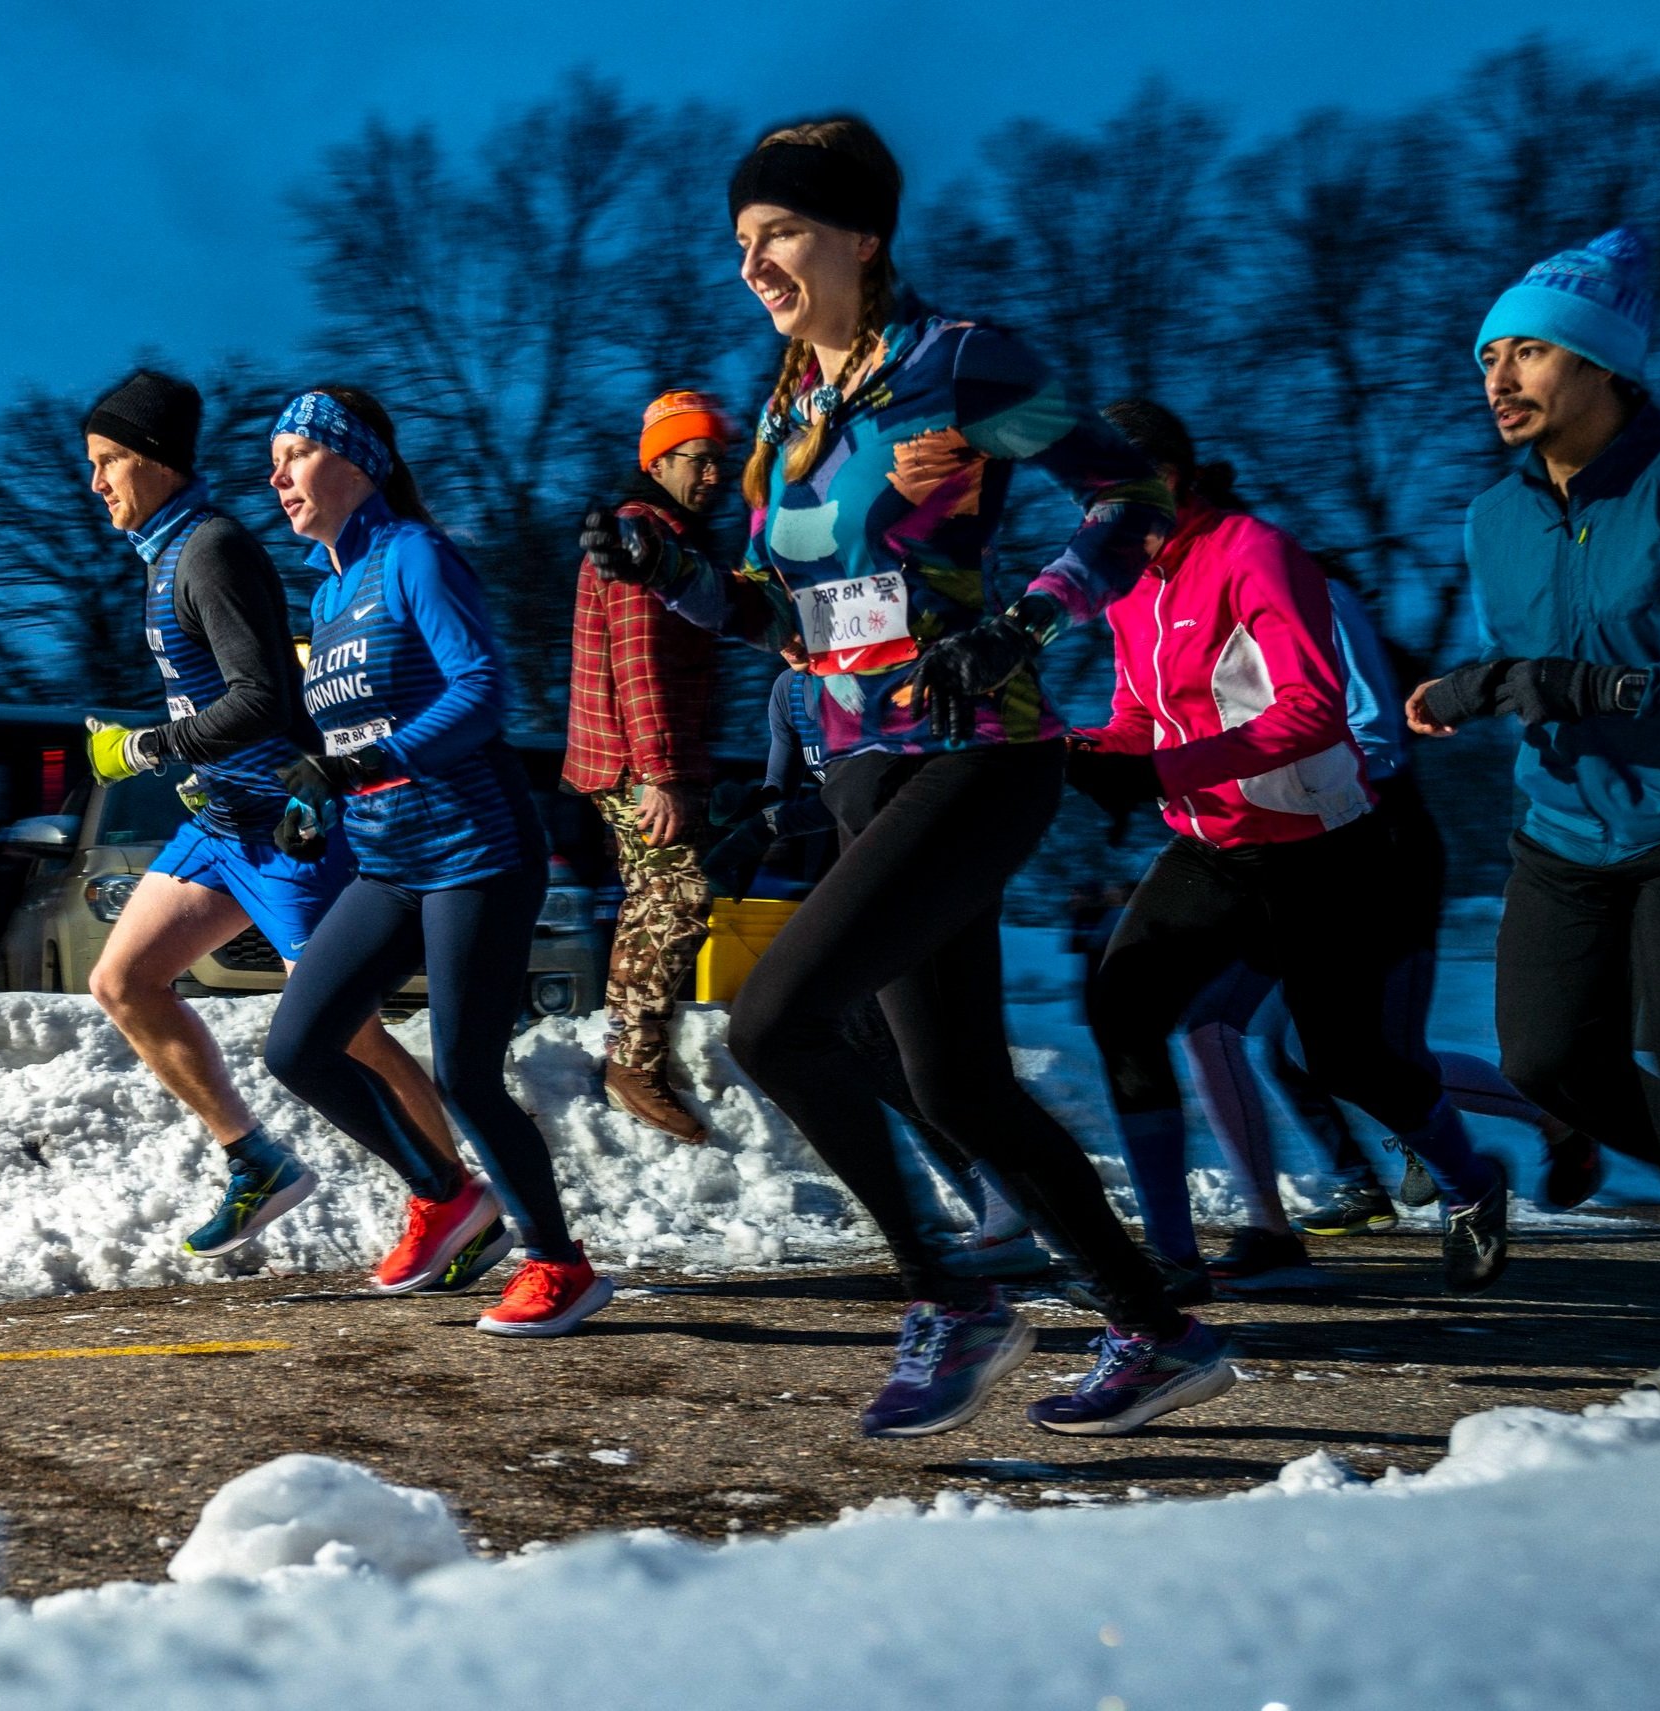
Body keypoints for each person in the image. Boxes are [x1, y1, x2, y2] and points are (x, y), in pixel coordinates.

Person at [587, 116, 1230, 1438]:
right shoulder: (783, 412)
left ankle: (948, 1293)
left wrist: (1032, 617)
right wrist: (674, 576)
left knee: (773, 1022)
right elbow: (780, 612)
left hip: (975, 749)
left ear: (861, 235)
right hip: (855, 766)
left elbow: (1128, 503)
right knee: (955, 1082)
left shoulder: (960, 362)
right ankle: (1158, 1329)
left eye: (778, 233)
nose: (754, 263)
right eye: (741, 242)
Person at [1067, 398, 1508, 1303]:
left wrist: (1163, 768)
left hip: (1321, 848)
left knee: (1343, 1057)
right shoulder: (1128, 590)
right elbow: (1137, 720)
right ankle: (1170, 1260)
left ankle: (1472, 1186)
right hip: (1210, 845)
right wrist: (1071, 749)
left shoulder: (1254, 553)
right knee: (1123, 1008)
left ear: (1174, 479)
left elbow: (1311, 711)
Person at [75, 370, 483, 1287]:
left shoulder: (210, 548)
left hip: (284, 834)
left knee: (347, 1035)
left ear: (156, 460)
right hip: (221, 824)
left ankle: (454, 1197)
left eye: (107, 462)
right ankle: (256, 1160)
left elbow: (265, 698)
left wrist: (148, 747)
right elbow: (219, 694)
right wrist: (194, 769)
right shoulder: (166, 554)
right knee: (124, 977)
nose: (95, 482)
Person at [263, 386, 613, 1337]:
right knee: (297, 1045)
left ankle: (559, 1263)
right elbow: (346, 735)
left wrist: (377, 759)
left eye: (295, 451)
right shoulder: (329, 591)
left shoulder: (414, 554)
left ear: (356, 459)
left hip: (476, 851)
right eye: (273, 457)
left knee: (464, 1071)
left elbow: (485, 691)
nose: (277, 473)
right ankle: (444, 1194)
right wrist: (313, 792)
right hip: (388, 860)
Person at [1409, 227, 1660, 1183]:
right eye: (1490, 355)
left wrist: (1593, 686)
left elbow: (1578, 667)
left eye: (1529, 350)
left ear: (1602, 364)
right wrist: (1467, 687)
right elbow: (1519, 655)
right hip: (1560, 827)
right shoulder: (1493, 517)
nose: (1499, 378)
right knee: (1543, 1062)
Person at [709, 667, 1049, 1279]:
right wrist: (749, 814)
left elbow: (881, 790)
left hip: (929, 871)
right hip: (859, 876)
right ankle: (1003, 1213)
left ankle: (1028, 1220)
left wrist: (771, 825)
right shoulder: (790, 693)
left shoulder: (882, 674)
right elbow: (789, 789)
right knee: (877, 1044)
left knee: (928, 1057)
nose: (794, 639)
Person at [562, 390, 726, 1141]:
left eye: (723, 462)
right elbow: (640, 659)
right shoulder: (639, 534)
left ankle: (634, 1047)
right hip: (634, 763)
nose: (716, 475)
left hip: (639, 758)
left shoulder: (674, 539)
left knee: (657, 893)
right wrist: (662, 771)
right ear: (658, 460)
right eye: (701, 460)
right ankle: (633, 1063)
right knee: (675, 890)